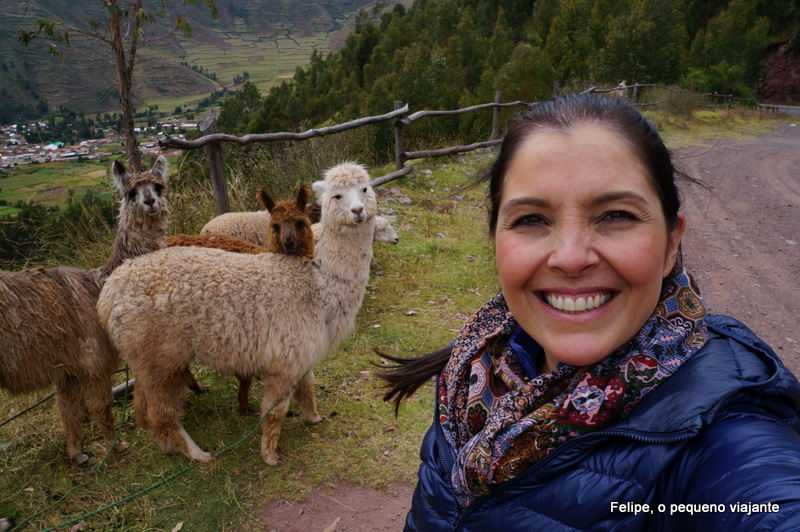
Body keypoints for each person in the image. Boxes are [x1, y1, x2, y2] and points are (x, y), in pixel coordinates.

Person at [379, 93, 800, 531]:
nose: (571, 258)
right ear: (495, 240)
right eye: (531, 219)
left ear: (671, 242)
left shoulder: (728, 434)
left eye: (615, 215)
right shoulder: (474, 373)